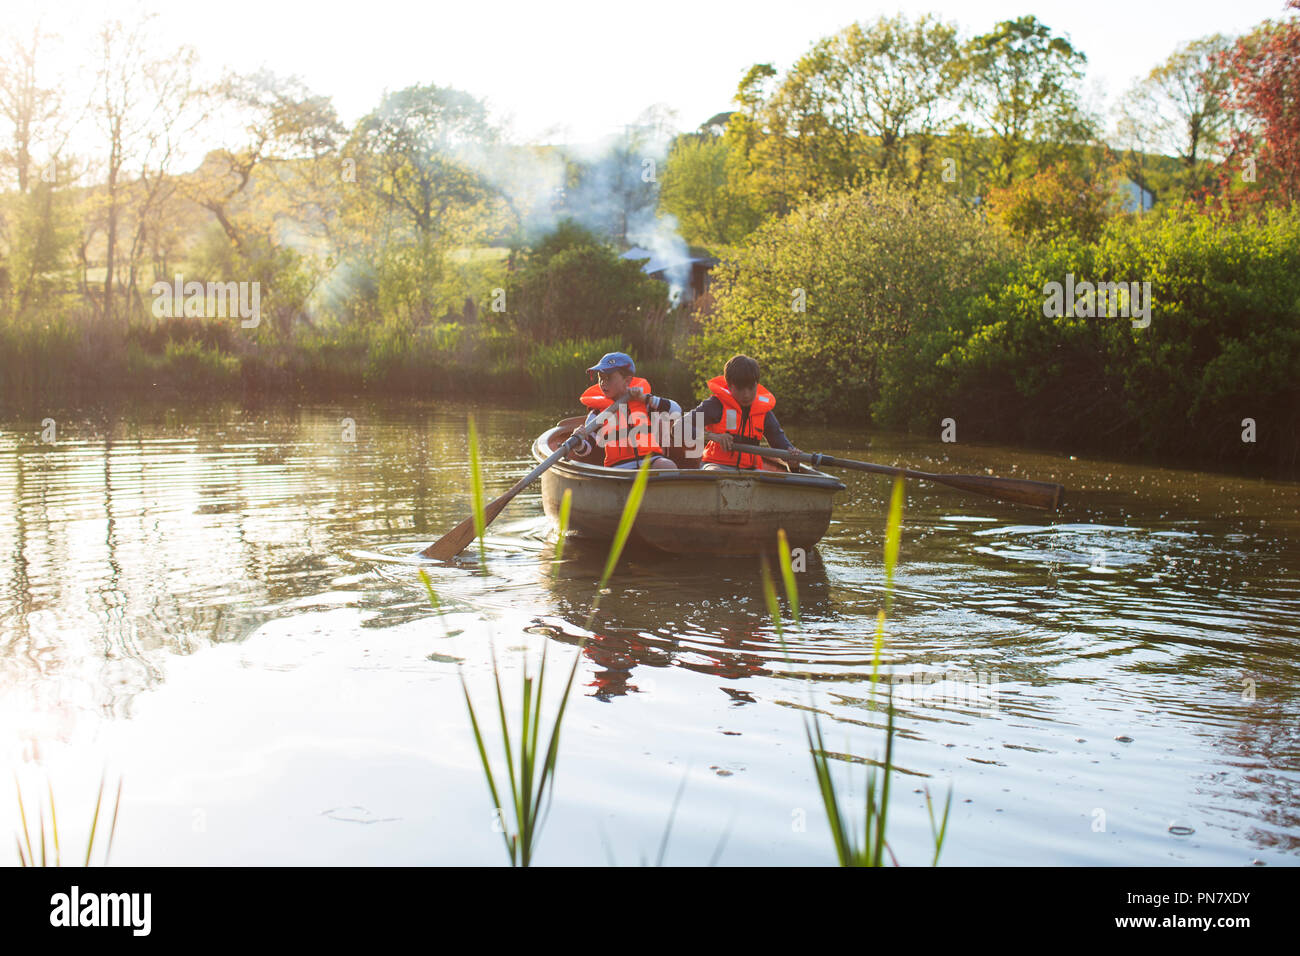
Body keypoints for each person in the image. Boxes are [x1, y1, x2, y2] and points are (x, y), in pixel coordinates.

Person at [689, 354, 801, 471]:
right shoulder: (715, 405)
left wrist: (793, 463)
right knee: (716, 472)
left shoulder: (764, 412)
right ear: (730, 386)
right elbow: (678, 428)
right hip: (716, 466)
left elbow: (782, 445)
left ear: (757, 384)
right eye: (740, 389)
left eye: (751, 388)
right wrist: (713, 436)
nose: (746, 395)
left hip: (750, 470)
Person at [573, 352, 679, 470]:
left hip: (650, 460)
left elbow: (676, 410)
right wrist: (579, 444)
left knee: (668, 465)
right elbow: (587, 448)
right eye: (600, 377)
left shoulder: (644, 402)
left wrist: (644, 398)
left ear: (627, 381)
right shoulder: (597, 413)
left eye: (608, 377)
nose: (603, 382)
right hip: (619, 468)